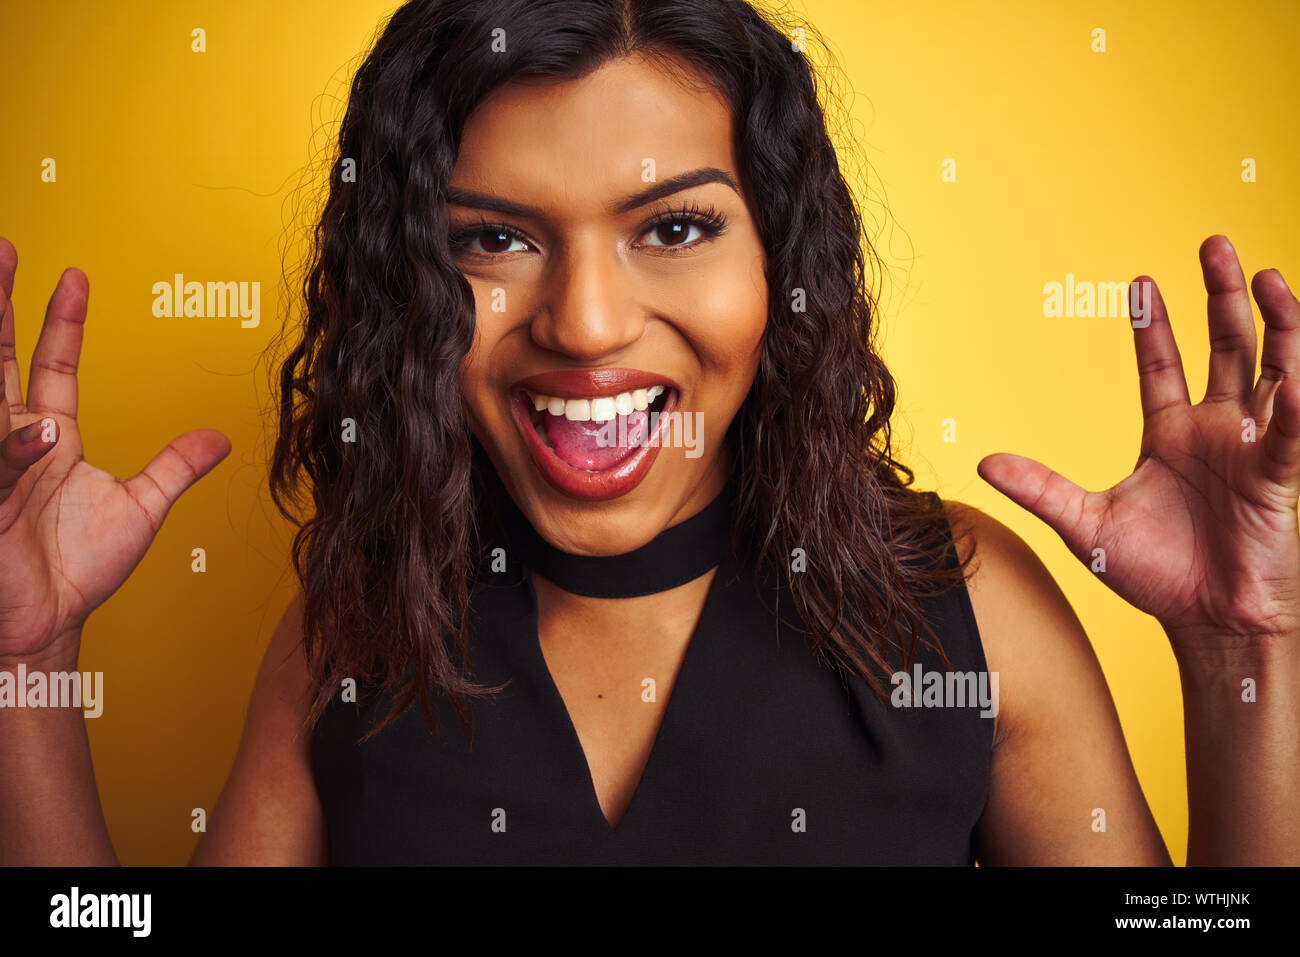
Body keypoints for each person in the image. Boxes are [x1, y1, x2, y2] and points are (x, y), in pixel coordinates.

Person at [1, 0, 1297, 866]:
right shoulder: (355, 629)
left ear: (780, 258)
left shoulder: (969, 611)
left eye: (673, 226)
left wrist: (1245, 657)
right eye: (493, 239)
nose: (586, 322)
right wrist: (29, 666)